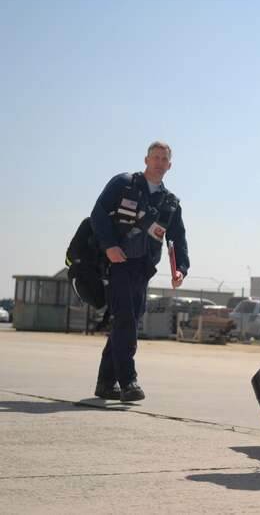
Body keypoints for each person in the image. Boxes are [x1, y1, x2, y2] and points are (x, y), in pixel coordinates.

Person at [91, 141, 189, 402]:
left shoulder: (170, 203)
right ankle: (128, 381)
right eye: (155, 157)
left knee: (129, 321)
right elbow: (98, 214)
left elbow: (177, 239)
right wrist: (110, 245)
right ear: (146, 160)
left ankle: (105, 383)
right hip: (117, 263)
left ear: (169, 165)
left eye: (164, 159)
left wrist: (180, 269)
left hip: (143, 270)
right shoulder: (124, 184)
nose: (159, 162)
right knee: (125, 319)